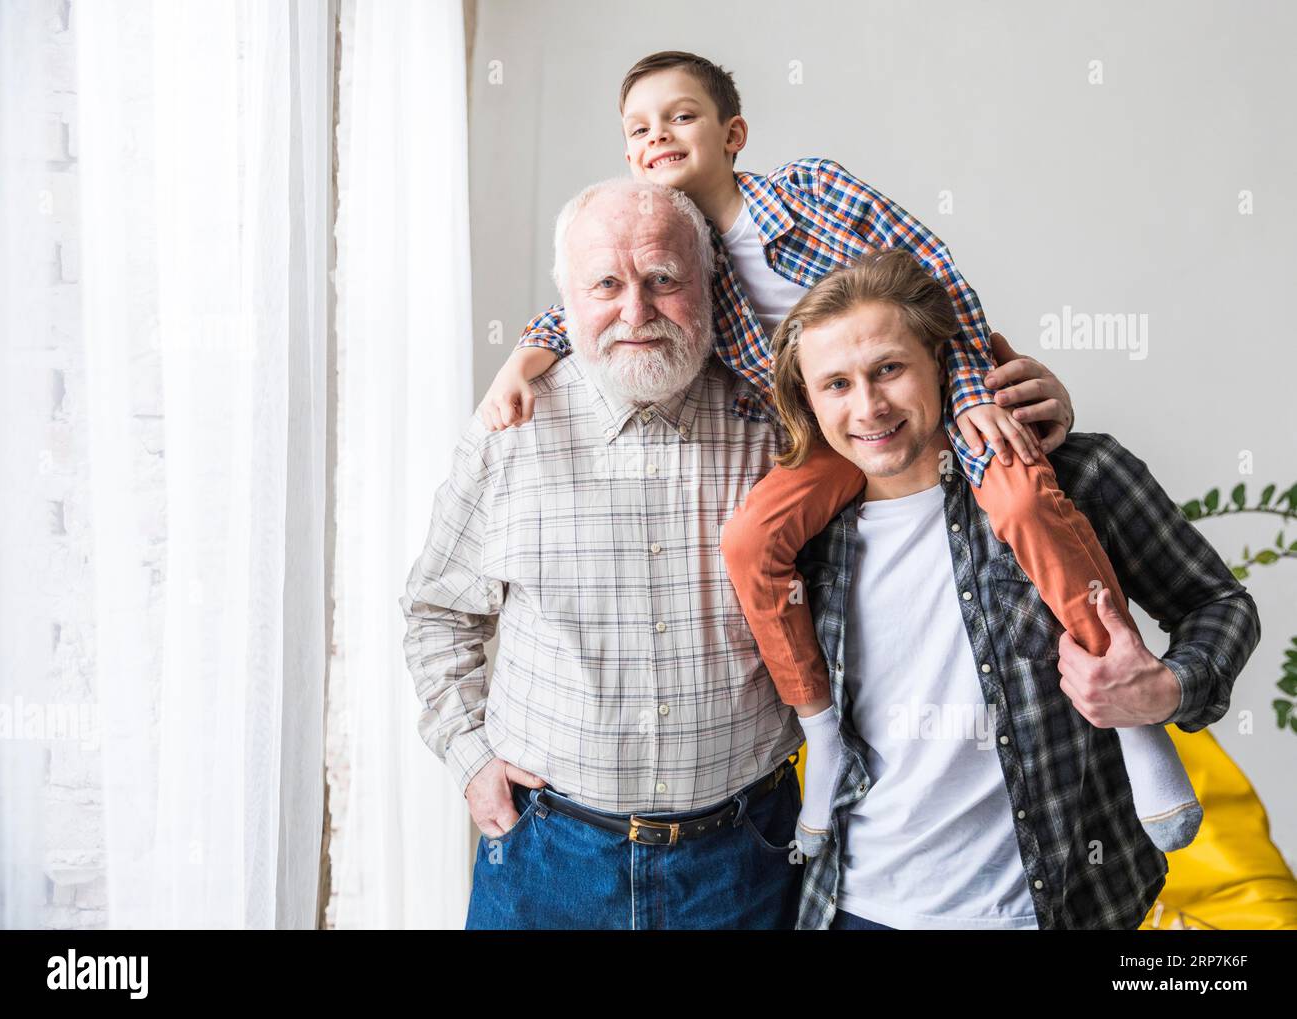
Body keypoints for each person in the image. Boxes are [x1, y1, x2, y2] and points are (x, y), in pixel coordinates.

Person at [475, 49, 1202, 855]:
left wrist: (966, 396)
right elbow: (592, 294)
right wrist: (521, 360)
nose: (660, 137)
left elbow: (939, 278)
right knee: (749, 541)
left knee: (1025, 501)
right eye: (639, 130)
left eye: (680, 116)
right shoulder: (685, 263)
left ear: (733, 131)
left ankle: (1129, 711)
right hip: (826, 434)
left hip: (933, 392)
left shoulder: (814, 189)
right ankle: (821, 735)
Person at [400, 179, 1074, 929]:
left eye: (664, 279)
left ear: (713, 283)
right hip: (547, 858)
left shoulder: (791, 420)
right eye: (605, 285)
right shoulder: (509, 429)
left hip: (746, 858)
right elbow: (436, 612)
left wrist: (1024, 403)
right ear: (565, 302)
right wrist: (469, 759)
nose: (636, 311)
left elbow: (900, 387)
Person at [773, 250, 1261, 929]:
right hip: (853, 908)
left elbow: (1219, 604)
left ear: (942, 363)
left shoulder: (1075, 477)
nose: (869, 405)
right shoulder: (803, 534)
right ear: (808, 398)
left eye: (889, 368)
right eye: (836, 384)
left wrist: (1168, 688)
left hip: (1054, 908)